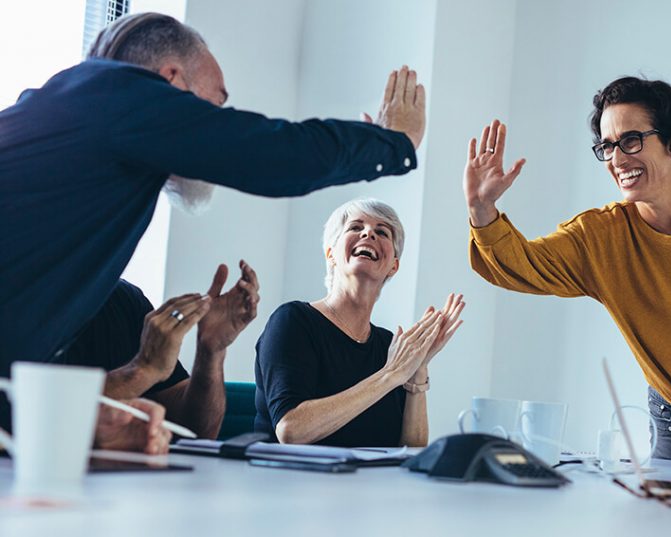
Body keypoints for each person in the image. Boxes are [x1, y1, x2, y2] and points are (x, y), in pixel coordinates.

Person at [0, 12, 426, 443]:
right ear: (171, 79)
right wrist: (393, 142)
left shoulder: (60, 119)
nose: (215, 122)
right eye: (215, 106)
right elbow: (268, 150)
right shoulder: (116, 94)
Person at [464, 77, 671, 471]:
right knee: (670, 506)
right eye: (607, 146)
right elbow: (521, 265)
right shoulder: (599, 236)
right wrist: (481, 209)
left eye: (631, 140)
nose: (617, 159)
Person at [255, 199, 464, 447]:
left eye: (382, 232)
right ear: (331, 254)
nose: (368, 234)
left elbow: (412, 450)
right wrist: (390, 374)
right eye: (355, 227)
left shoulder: (392, 347)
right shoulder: (293, 321)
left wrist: (418, 368)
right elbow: (291, 430)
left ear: (393, 266)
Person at [63, 260, 259, 439]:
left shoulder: (121, 298)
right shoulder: (42, 303)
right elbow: (51, 416)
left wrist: (211, 351)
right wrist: (144, 370)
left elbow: (195, 432)